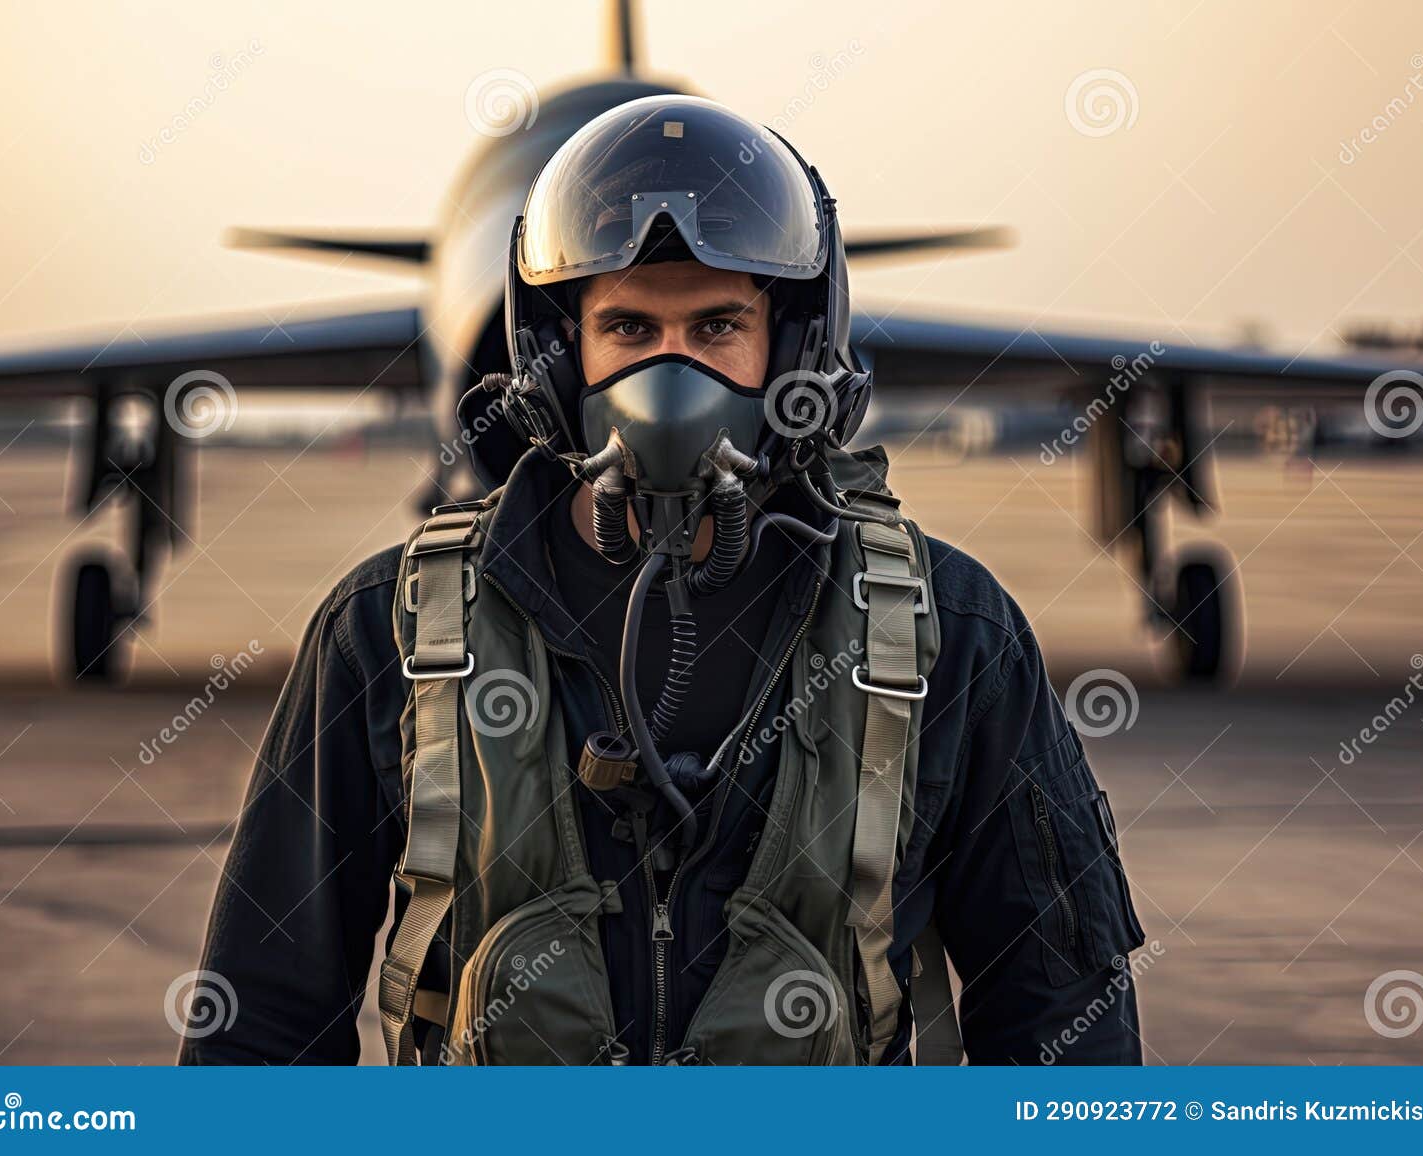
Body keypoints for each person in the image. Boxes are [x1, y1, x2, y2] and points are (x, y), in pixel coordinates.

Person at [181, 95, 1146, 1066]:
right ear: (561, 360)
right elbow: (262, 1021)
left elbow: (1062, 1019)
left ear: (795, 349)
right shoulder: (387, 633)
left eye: (719, 325)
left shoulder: (950, 631)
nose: (671, 373)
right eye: (631, 329)